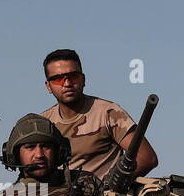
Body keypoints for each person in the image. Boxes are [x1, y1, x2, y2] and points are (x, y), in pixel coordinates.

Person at [38, 49, 158, 182]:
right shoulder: (41, 123)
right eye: (58, 79)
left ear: (83, 80)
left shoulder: (108, 113)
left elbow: (146, 158)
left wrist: (108, 188)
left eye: (73, 76)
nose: (67, 83)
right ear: (48, 86)